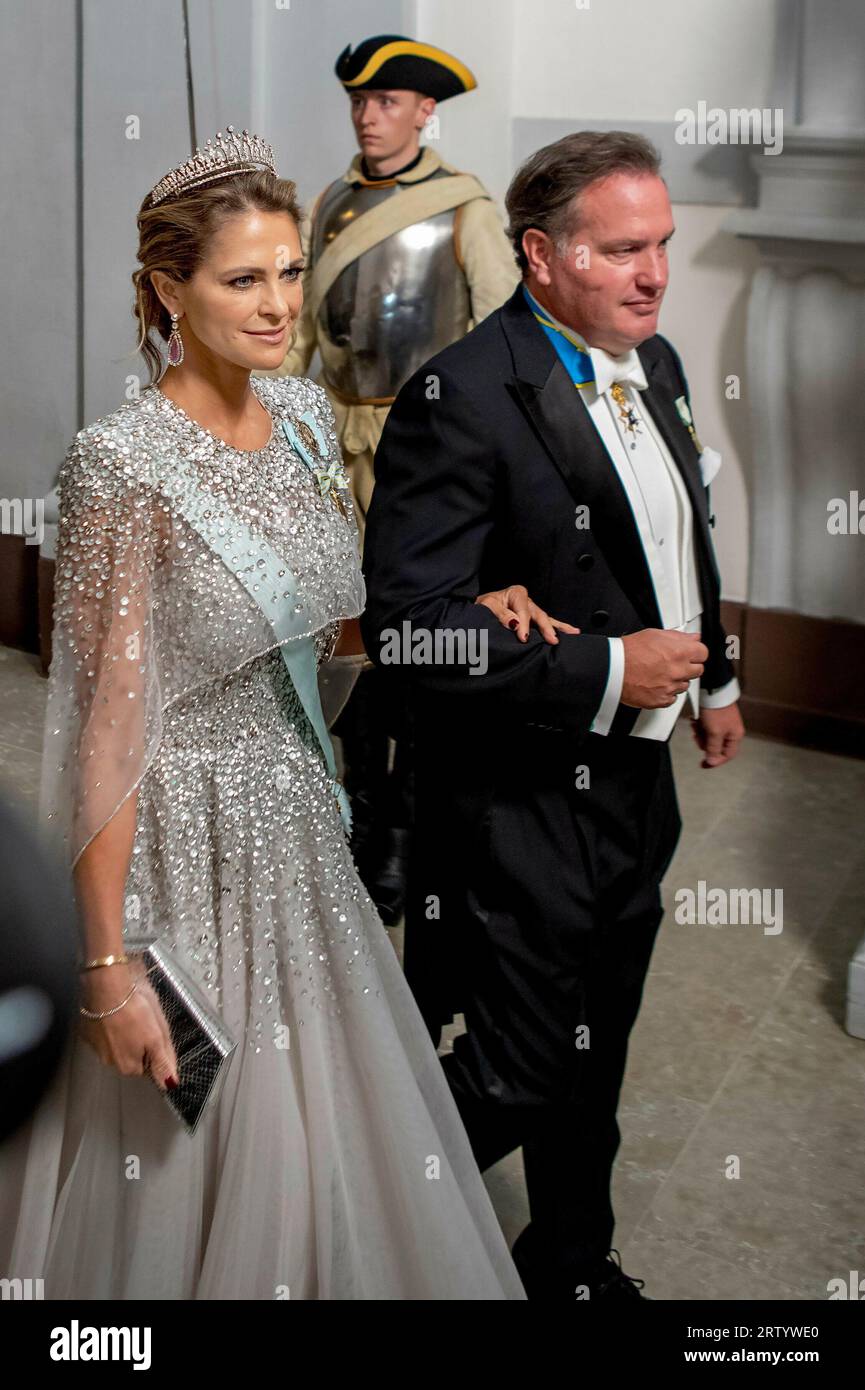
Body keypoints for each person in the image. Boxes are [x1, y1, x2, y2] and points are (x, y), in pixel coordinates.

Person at [0, 127, 525, 1301]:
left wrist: (465, 602)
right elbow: (107, 726)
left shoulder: (297, 414)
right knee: (189, 1144)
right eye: (244, 278)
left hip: (293, 818)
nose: (281, 302)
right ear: (165, 291)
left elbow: (324, 622)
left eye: (291, 270)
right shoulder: (116, 465)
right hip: (178, 837)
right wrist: (105, 965)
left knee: (314, 1122)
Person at [361, 130, 745, 1300]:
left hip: (633, 788)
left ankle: (572, 1261)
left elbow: (677, 541)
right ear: (538, 254)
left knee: (598, 1049)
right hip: (513, 793)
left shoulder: (658, 363)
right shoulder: (463, 396)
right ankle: (348, 1216)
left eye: (661, 246)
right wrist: (597, 671)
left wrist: (712, 681)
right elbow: (406, 624)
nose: (652, 274)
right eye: (619, 250)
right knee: (521, 1069)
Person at [260, 34, 519, 924]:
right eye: (360, 102)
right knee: (344, 623)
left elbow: (502, 336)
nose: (370, 116)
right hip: (336, 440)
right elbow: (298, 333)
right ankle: (355, 802)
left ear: (424, 111)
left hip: (429, 447)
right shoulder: (329, 201)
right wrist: (270, 424)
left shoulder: (466, 209)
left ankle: (405, 829)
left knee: (416, 627)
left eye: (389, 101)